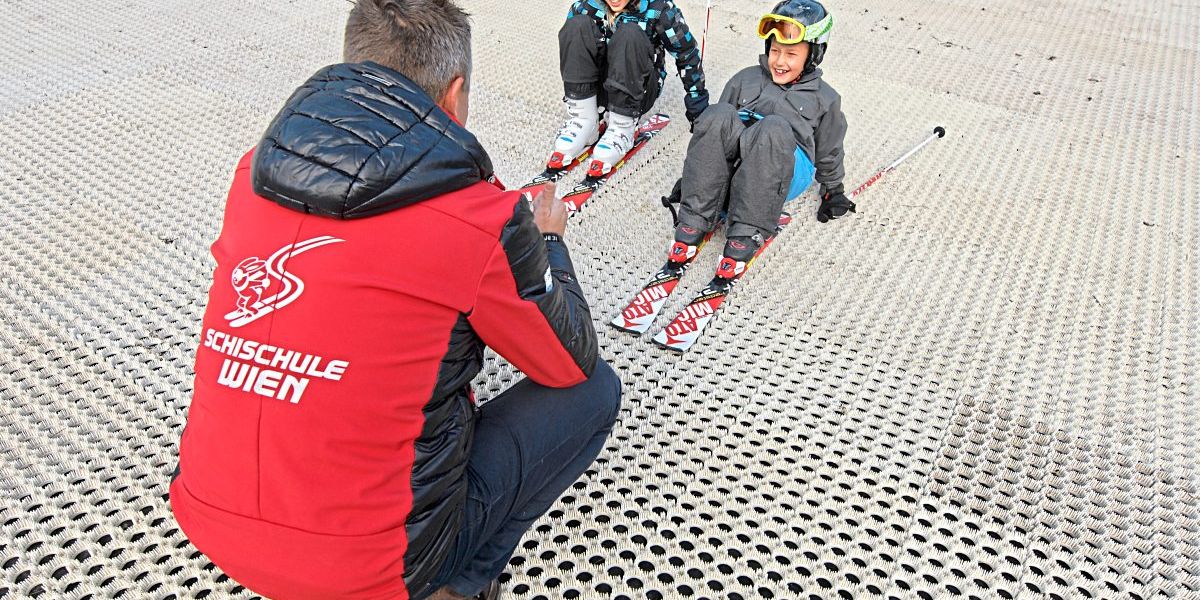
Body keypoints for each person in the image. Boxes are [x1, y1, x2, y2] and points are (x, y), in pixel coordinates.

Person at [168, 1, 622, 598]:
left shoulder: (252, 174)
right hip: (369, 570)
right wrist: (548, 245)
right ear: (454, 95)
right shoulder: (477, 217)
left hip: (207, 519)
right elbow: (567, 360)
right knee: (595, 390)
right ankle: (459, 583)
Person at [667, 0, 852, 280]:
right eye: (775, 51)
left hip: (783, 164)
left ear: (814, 54)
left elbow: (829, 149)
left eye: (791, 54)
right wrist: (697, 178)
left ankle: (747, 230)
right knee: (717, 114)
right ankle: (695, 217)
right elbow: (715, 133)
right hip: (739, 158)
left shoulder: (824, 98)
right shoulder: (745, 79)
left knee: (773, 127)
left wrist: (833, 189)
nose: (780, 61)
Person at [552, 0, 710, 176]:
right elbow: (575, 53)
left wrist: (698, 107)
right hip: (597, 89)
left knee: (630, 33)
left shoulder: (659, 10)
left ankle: (622, 127)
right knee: (576, 26)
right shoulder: (586, 6)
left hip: (637, 89)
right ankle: (584, 120)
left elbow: (687, 54)